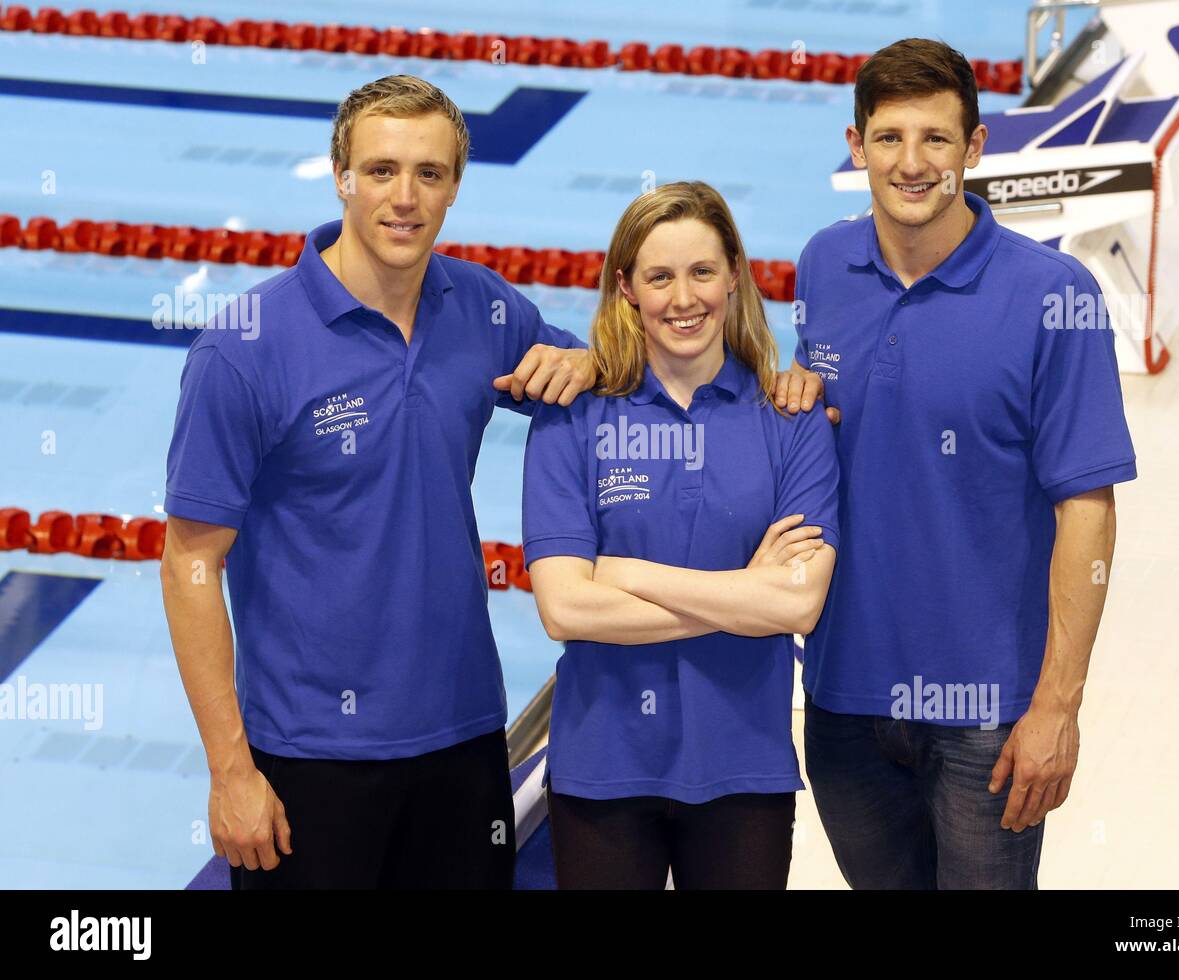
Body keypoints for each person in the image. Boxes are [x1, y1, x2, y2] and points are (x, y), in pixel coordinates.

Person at [160, 75, 596, 889]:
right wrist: (229, 770)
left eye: (429, 173)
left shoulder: (482, 308)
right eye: (383, 170)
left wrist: (589, 358)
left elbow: (588, 375)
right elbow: (190, 563)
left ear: (456, 185)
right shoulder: (247, 348)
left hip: (463, 735)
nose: (406, 197)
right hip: (309, 755)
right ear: (342, 175)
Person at [776, 38, 1136, 889]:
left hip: (988, 711)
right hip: (842, 693)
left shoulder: (1054, 294)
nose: (912, 163)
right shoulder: (825, 265)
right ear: (856, 144)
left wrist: (1057, 705)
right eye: (890, 138)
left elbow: (1087, 510)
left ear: (974, 149)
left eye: (936, 139)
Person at [522, 182, 840, 889]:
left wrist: (623, 572)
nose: (683, 298)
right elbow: (565, 610)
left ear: (734, 273)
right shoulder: (572, 419)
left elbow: (797, 606)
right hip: (603, 770)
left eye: (701, 272)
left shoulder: (793, 420)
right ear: (626, 288)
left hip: (743, 770)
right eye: (659, 277)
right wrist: (742, 594)